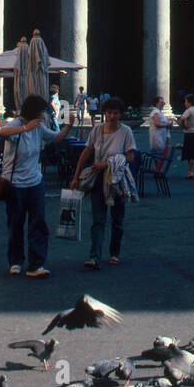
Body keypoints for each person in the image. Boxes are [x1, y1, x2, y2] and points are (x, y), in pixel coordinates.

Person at [2, 94, 76, 277]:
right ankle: (16, 261)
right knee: (15, 223)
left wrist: (69, 126)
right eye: (42, 111)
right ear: (34, 111)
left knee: (39, 223)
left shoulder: (39, 127)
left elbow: (56, 138)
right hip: (15, 183)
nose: (45, 114)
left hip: (35, 182)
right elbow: (1, 133)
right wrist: (24, 128)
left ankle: (36, 264)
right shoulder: (14, 124)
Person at [70, 97, 132, 270]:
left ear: (120, 114)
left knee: (117, 219)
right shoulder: (97, 130)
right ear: (104, 113)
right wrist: (76, 176)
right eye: (109, 112)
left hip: (117, 180)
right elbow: (86, 152)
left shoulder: (126, 132)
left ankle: (114, 253)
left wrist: (107, 164)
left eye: (116, 113)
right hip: (98, 180)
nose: (112, 116)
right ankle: (94, 256)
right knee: (98, 220)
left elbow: (129, 157)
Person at [179, 94, 194, 179]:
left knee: (190, 154)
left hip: (189, 133)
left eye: (186, 101)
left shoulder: (189, 110)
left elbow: (182, 119)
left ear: (189, 102)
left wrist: (184, 126)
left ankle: (190, 172)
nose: (185, 103)